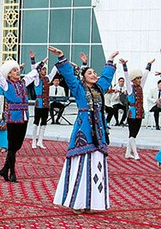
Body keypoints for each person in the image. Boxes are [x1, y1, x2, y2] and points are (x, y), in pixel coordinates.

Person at [47, 47, 117, 212]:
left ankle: (92, 203)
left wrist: (110, 61)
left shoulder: (99, 89)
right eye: (90, 73)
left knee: (97, 165)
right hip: (84, 131)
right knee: (81, 164)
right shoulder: (79, 89)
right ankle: (77, 202)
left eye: (94, 73)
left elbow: (106, 77)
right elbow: (69, 77)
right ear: (84, 77)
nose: (93, 75)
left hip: (99, 132)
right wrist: (61, 57)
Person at [0, 46, 36, 183]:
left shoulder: (23, 83)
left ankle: (5, 169)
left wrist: (36, 63)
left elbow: (33, 74)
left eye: (17, 69)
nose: (17, 72)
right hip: (13, 118)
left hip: (24, 117)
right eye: (14, 70)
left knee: (16, 146)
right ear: (9, 74)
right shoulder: (6, 85)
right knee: (12, 146)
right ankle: (12, 172)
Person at [120, 60, 152, 160]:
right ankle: (135, 153)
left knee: (133, 134)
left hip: (140, 113)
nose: (139, 80)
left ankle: (127, 153)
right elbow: (126, 77)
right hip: (132, 113)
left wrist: (149, 65)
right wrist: (124, 66)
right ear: (133, 80)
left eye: (140, 78)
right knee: (132, 134)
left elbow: (145, 76)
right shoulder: (130, 88)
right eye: (137, 78)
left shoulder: (141, 87)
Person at [30, 56, 57, 149]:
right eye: (43, 69)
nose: (44, 71)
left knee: (44, 122)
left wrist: (59, 59)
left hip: (46, 104)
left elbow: (54, 71)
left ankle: (40, 141)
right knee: (36, 122)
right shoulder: (37, 79)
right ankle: (34, 140)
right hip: (39, 104)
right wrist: (33, 60)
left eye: (45, 69)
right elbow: (34, 70)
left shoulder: (47, 78)